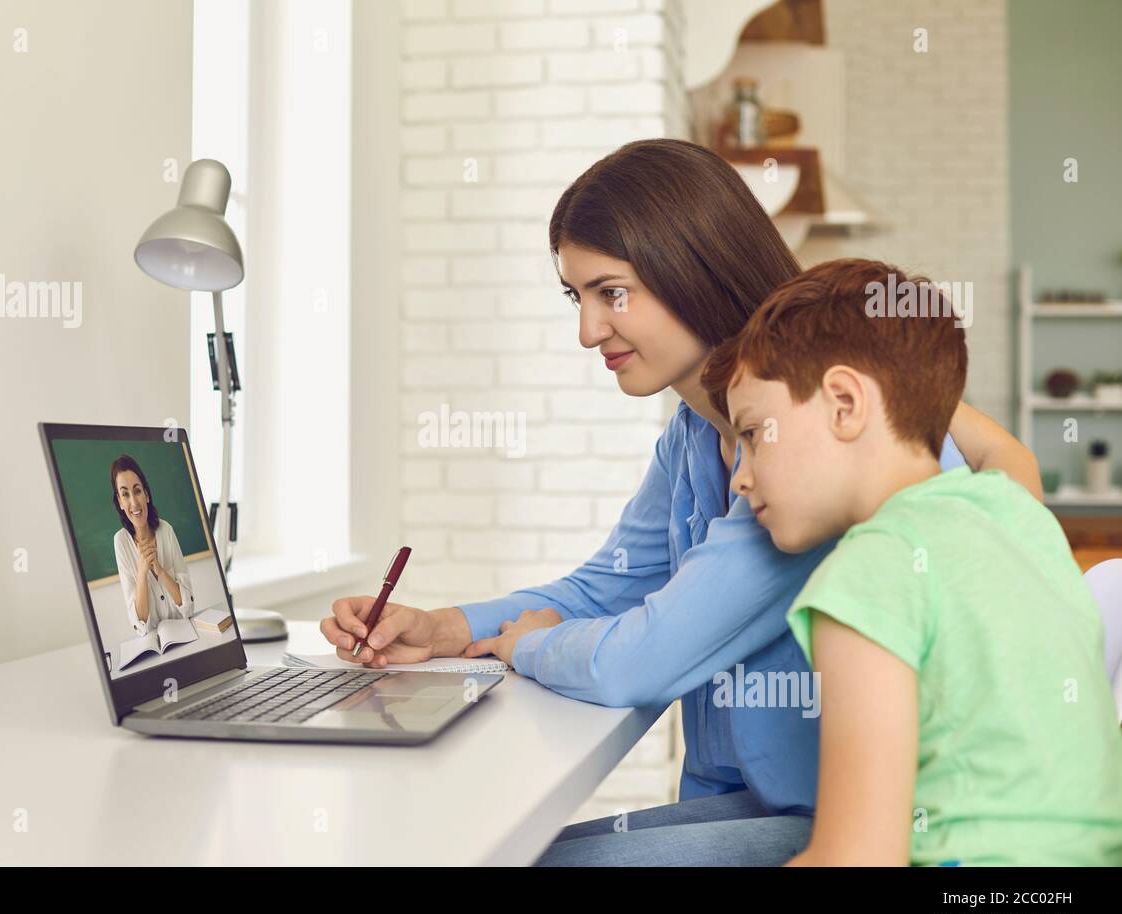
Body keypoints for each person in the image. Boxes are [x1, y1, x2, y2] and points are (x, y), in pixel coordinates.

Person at [320, 140, 1043, 866]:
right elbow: (610, 585)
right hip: (772, 802)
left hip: (870, 831)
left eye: (612, 293)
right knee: (508, 851)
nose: (587, 331)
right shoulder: (695, 435)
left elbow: (641, 660)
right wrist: (445, 630)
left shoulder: (813, 459)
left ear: (693, 265)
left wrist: (528, 644)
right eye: (578, 298)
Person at [702, 257, 1122, 865]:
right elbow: (1004, 452)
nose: (740, 477)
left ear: (844, 403)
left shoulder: (869, 572)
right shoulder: (1016, 516)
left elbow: (858, 859)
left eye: (751, 435)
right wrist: (912, 379)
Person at [110, 454, 194, 637]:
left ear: (146, 494)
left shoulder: (166, 530)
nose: (134, 502)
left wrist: (159, 570)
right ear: (120, 503)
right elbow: (140, 624)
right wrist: (142, 571)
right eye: (125, 494)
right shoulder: (121, 542)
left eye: (137, 490)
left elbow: (188, 606)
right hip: (153, 649)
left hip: (185, 637)